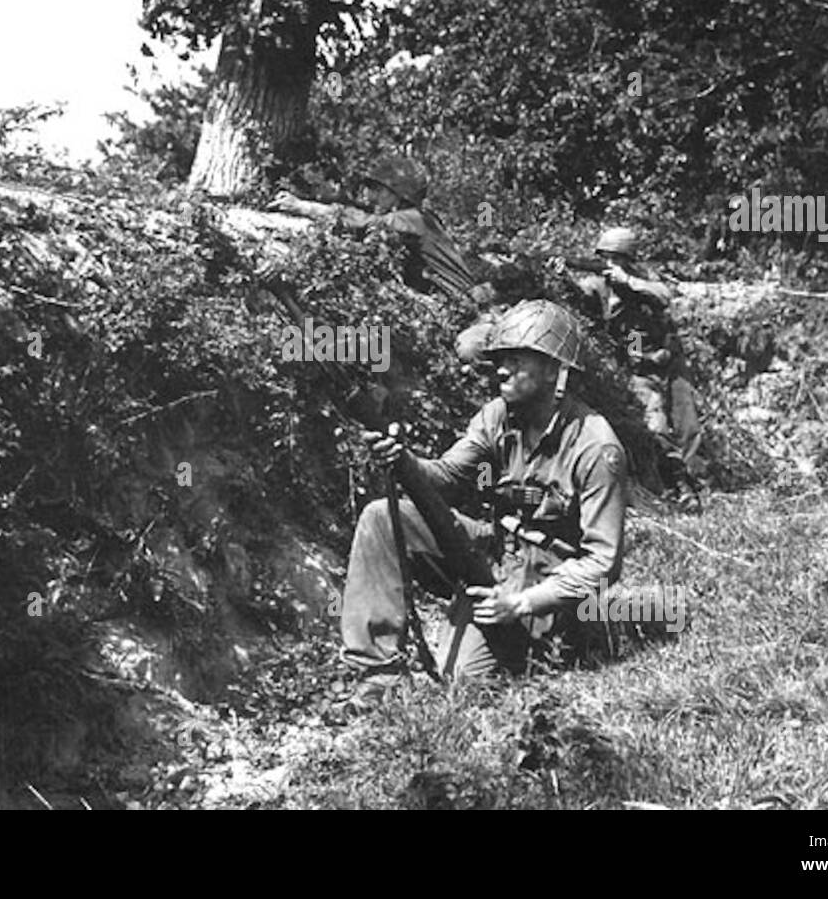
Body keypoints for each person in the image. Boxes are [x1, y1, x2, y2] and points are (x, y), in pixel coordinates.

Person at [339, 300, 628, 705]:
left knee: (460, 680)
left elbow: (603, 563)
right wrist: (402, 458)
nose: (502, 370)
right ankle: (378, 675)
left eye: (516, 360)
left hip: (545, 589)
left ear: (552, 370)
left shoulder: (596, 448)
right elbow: (446, 476)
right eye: (500, 360)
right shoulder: (497, 416)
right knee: (383, 518)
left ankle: (544, 643)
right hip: (494, 553)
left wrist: (522, 603)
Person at [559, 227, 703, 495]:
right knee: (656, 424)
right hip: (639, 365)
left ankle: (697, 482)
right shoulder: (599, 285)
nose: (610, 263)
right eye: (605, 257)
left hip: (670, 360)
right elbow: (581, 298)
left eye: (616, 258)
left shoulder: (643, 278)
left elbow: (663, 296)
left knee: (688, 425)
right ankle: (676, 484)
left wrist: (627, 280)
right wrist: (564, 278)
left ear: (629, 259)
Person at [267, 155, 488, 304]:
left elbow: (366, 223)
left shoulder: (414, 219)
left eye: (378, 189)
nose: (371, 196)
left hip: (458, 302)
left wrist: (304, 207)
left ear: (398, 194)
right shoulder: (414, 219)